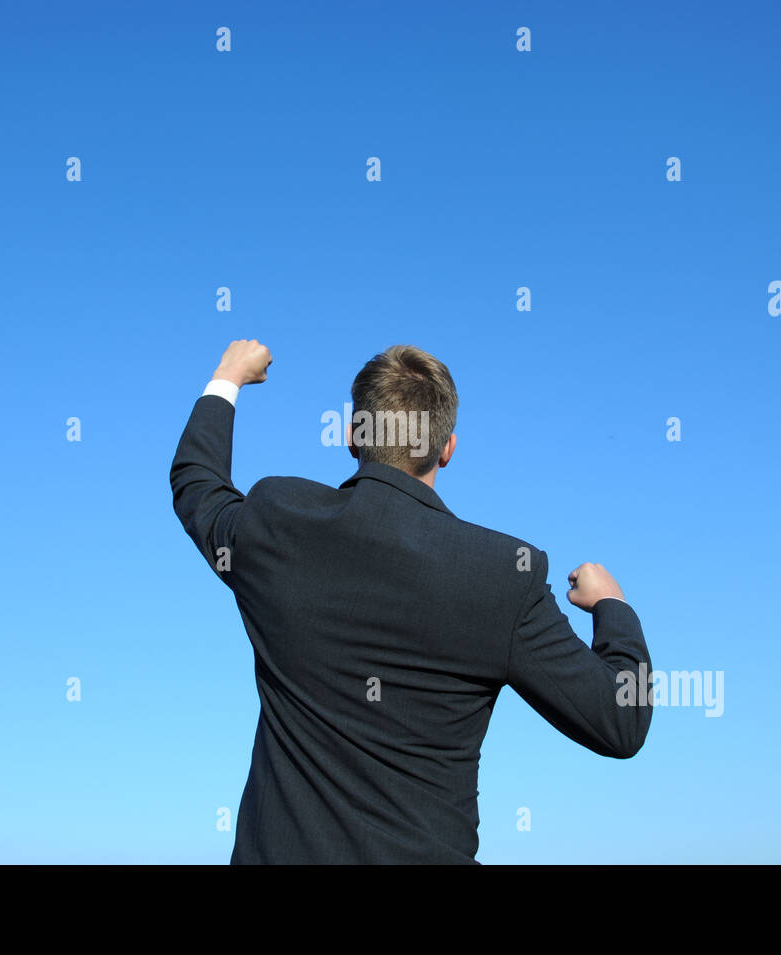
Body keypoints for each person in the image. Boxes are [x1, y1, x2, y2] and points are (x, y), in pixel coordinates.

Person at [171, 339, 653, 863]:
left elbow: (198, 485)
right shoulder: (503, 574)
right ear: (447, 448)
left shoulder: (279, 520)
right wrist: (613, 609)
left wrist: (228, 376)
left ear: (354, 435)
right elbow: (621, 722)